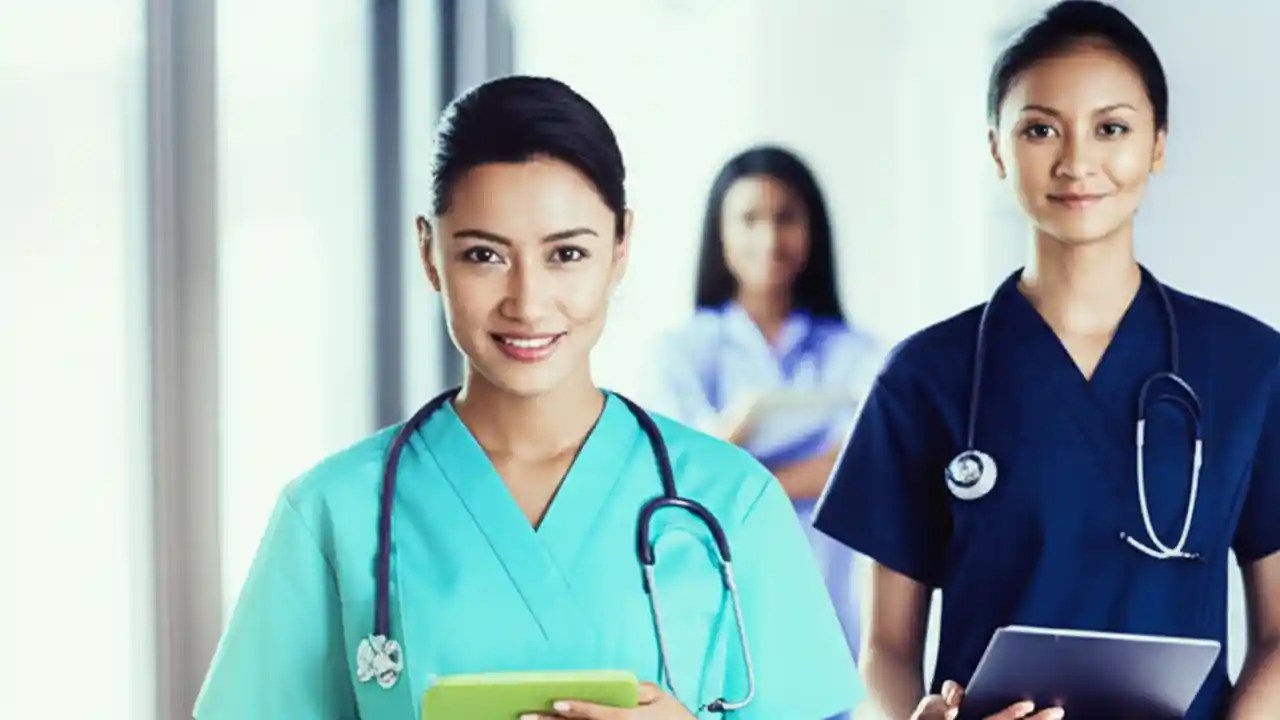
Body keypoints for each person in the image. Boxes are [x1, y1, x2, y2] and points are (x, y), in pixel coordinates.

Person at [193, 76, 863, 720]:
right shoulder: (333, 513)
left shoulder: (733, 503)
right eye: (484, 255)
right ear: (429, 252)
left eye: (566, 254)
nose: (528, 302)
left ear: (621, 247)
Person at [812, 2, 1280, 719]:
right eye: (1039, 129)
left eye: (1111, 128)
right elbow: (886, 650)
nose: (1076, 162)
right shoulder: (926, 377)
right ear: (997, 150)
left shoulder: (1249, 368)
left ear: (1158, 144)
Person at [645, 146, 883, 679]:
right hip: (711, 623)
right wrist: (789, 467)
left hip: (828, 618)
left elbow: (862, 468)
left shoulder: (859, 353)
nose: (769, 238)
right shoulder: (680, 353)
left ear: (812, 229)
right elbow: (674, 480)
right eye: (749, 219)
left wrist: (733, 467)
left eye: (786, 218)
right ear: (720, 232)